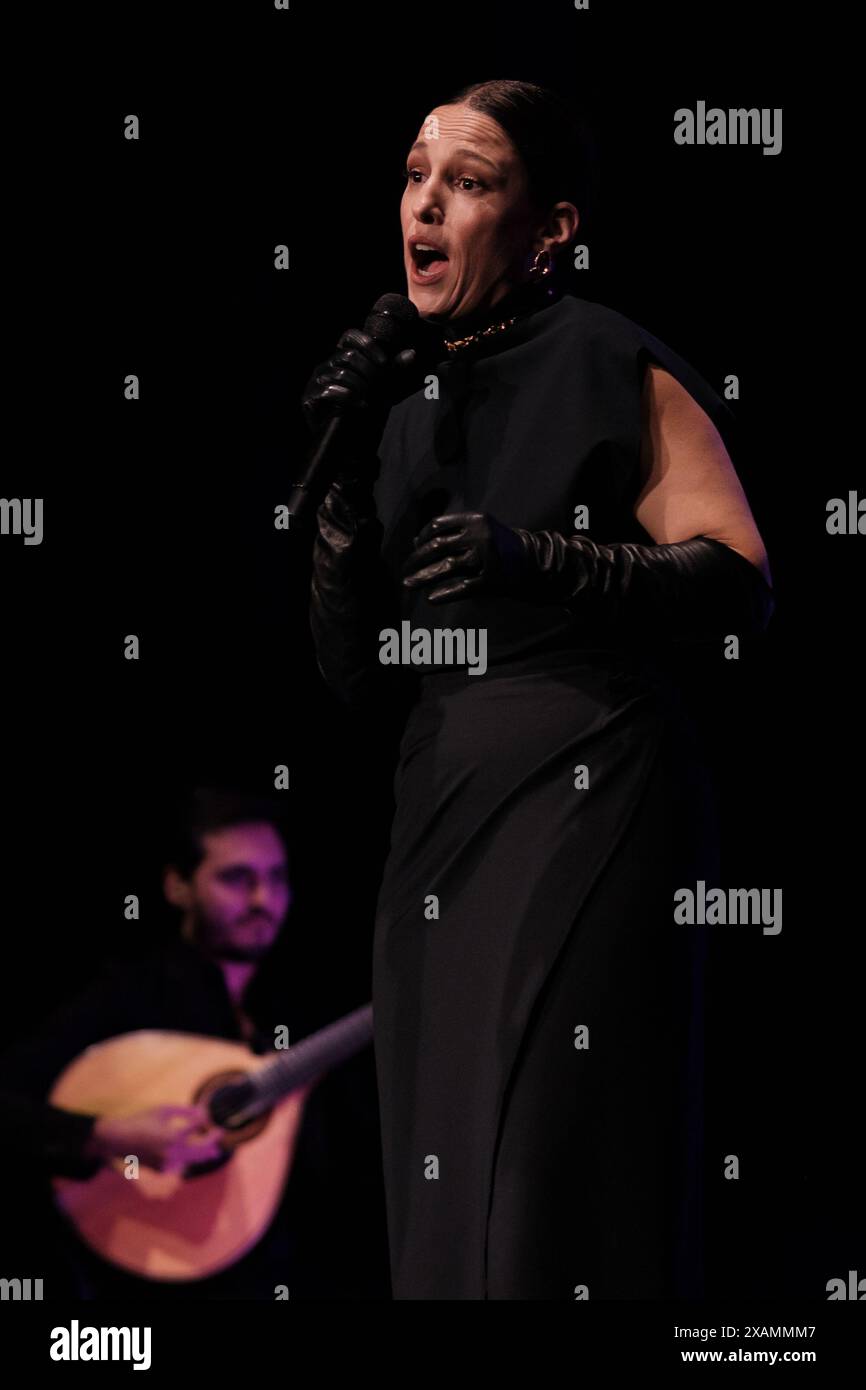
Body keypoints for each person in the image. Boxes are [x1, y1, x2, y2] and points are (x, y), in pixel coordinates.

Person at [302, 79, 775, 1301]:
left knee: (545, 1191)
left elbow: (736, 579)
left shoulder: (607, 356)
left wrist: (546, 557)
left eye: (466, 182)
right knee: (446, 1195)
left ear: (548, 225)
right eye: (414, 176)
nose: (425, 203)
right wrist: (348, 487)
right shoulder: (402, 411)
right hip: (439, 812)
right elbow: (353, 678)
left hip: (589, 785)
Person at [0, 787, 390, 1299]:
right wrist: (109, 1135)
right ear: (177, 886)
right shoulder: (129, 997)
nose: (262, 900)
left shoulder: (294, 1012)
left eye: (277, 879)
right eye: (237, 878)